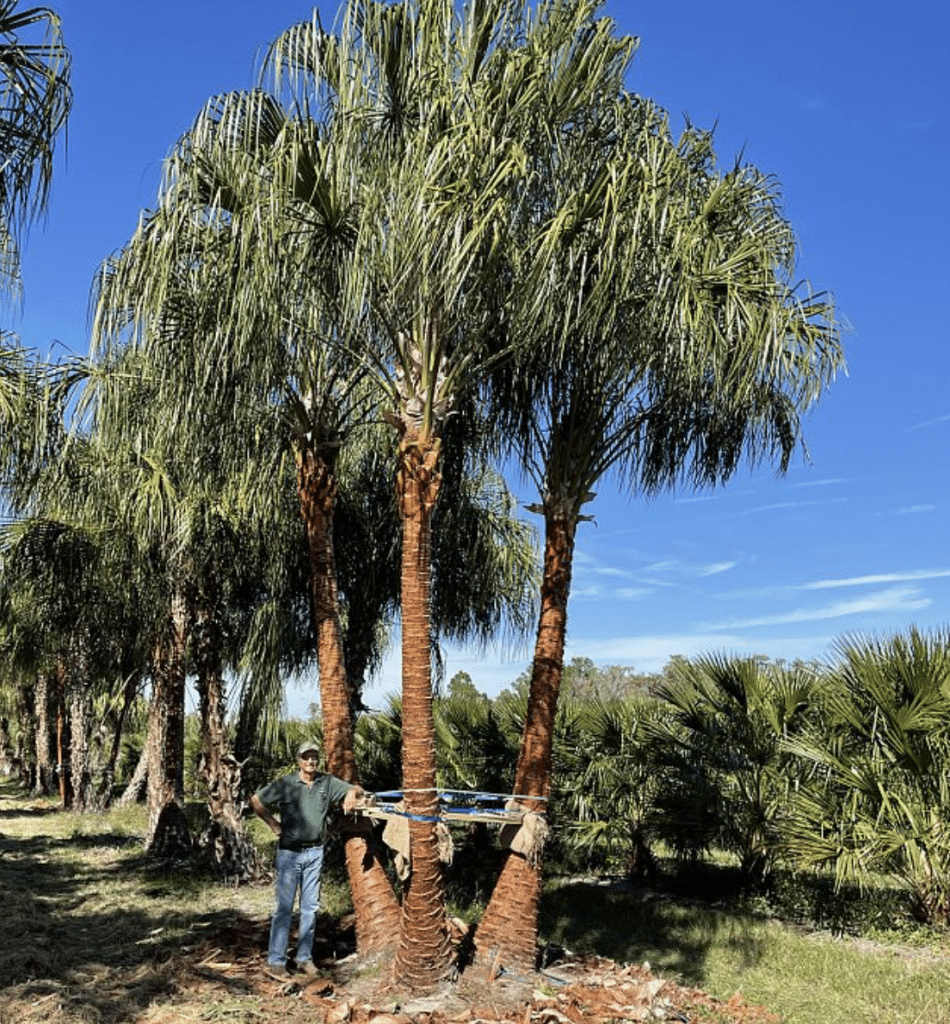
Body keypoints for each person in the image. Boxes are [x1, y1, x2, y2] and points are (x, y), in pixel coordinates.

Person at [249, 740, 364, 979]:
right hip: (290, 853)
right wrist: (274, 825)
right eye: (306, 757)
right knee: (284, 909)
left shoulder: (326, 782)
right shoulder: (286, 783)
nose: (310, 761)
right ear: (298, 760)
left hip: (315, 852)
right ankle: (277, 961)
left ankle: (304, 959)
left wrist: (352, 794)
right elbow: (257, 801)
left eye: (314, 757)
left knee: (310, 908)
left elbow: (357, 789)